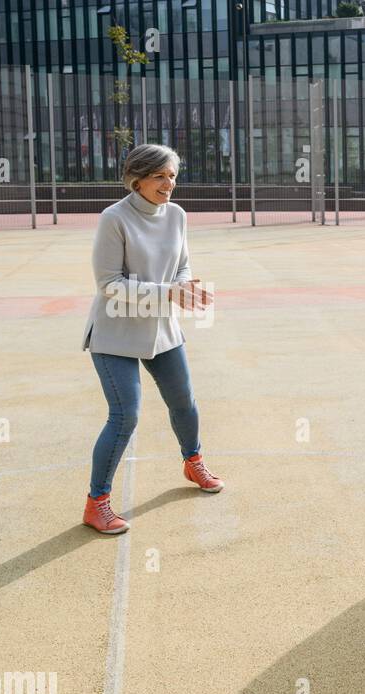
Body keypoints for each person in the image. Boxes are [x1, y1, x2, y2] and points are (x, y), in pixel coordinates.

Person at [82, 143, 220, 535]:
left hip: (162, 330)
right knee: (126, 415)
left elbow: (183, 264)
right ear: (137, 179)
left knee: (184, 403)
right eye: (160, 175)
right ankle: (97, 503)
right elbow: (108, 284)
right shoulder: (114, 218)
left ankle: (193, 463)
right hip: (115, 334)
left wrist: (183, 286)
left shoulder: (176, 215)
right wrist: (168, 293)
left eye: (173, 175)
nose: (169, 183)